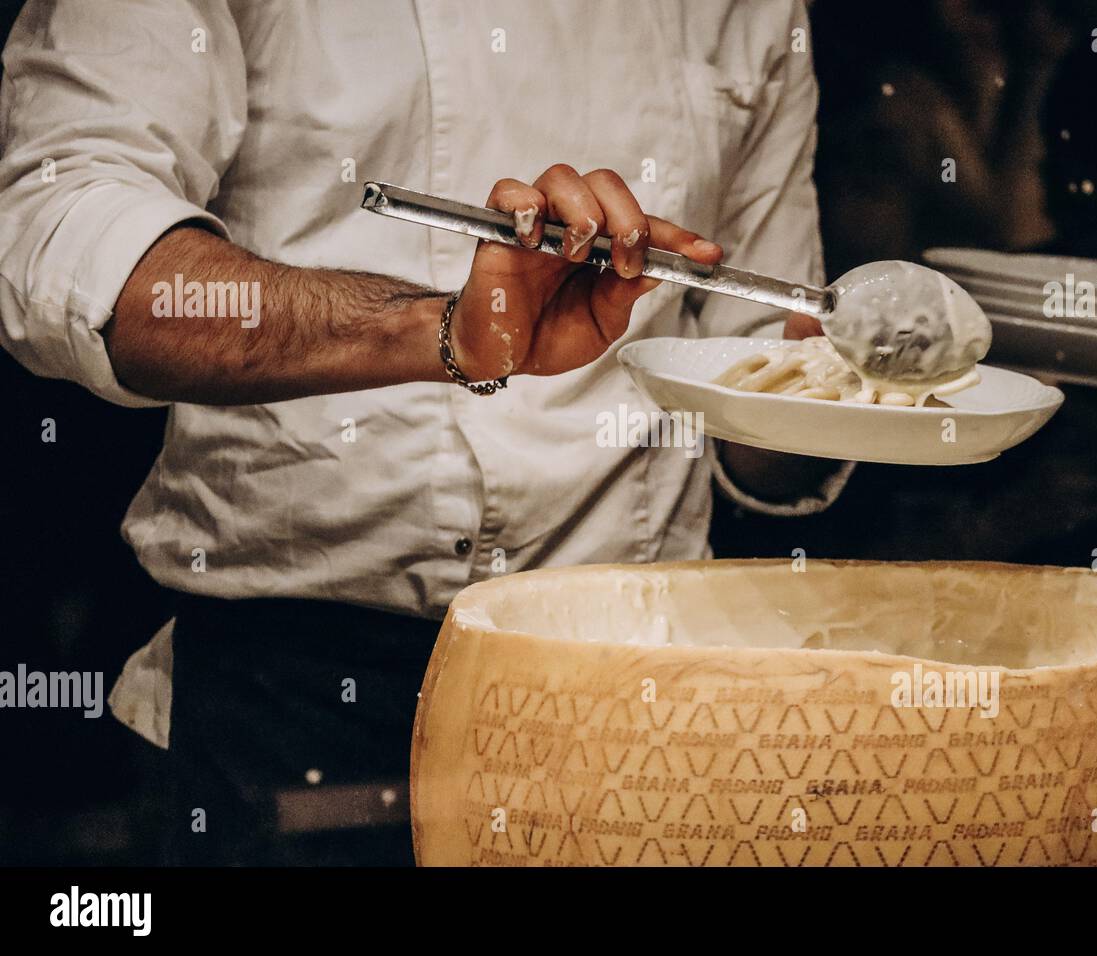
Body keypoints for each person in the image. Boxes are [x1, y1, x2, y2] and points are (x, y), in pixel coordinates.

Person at [0, 0, 846, 864]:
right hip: (289, 699)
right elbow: (58, 232)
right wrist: (441, 329)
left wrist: (847, 390)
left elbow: (762, 378)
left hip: (635, 698)